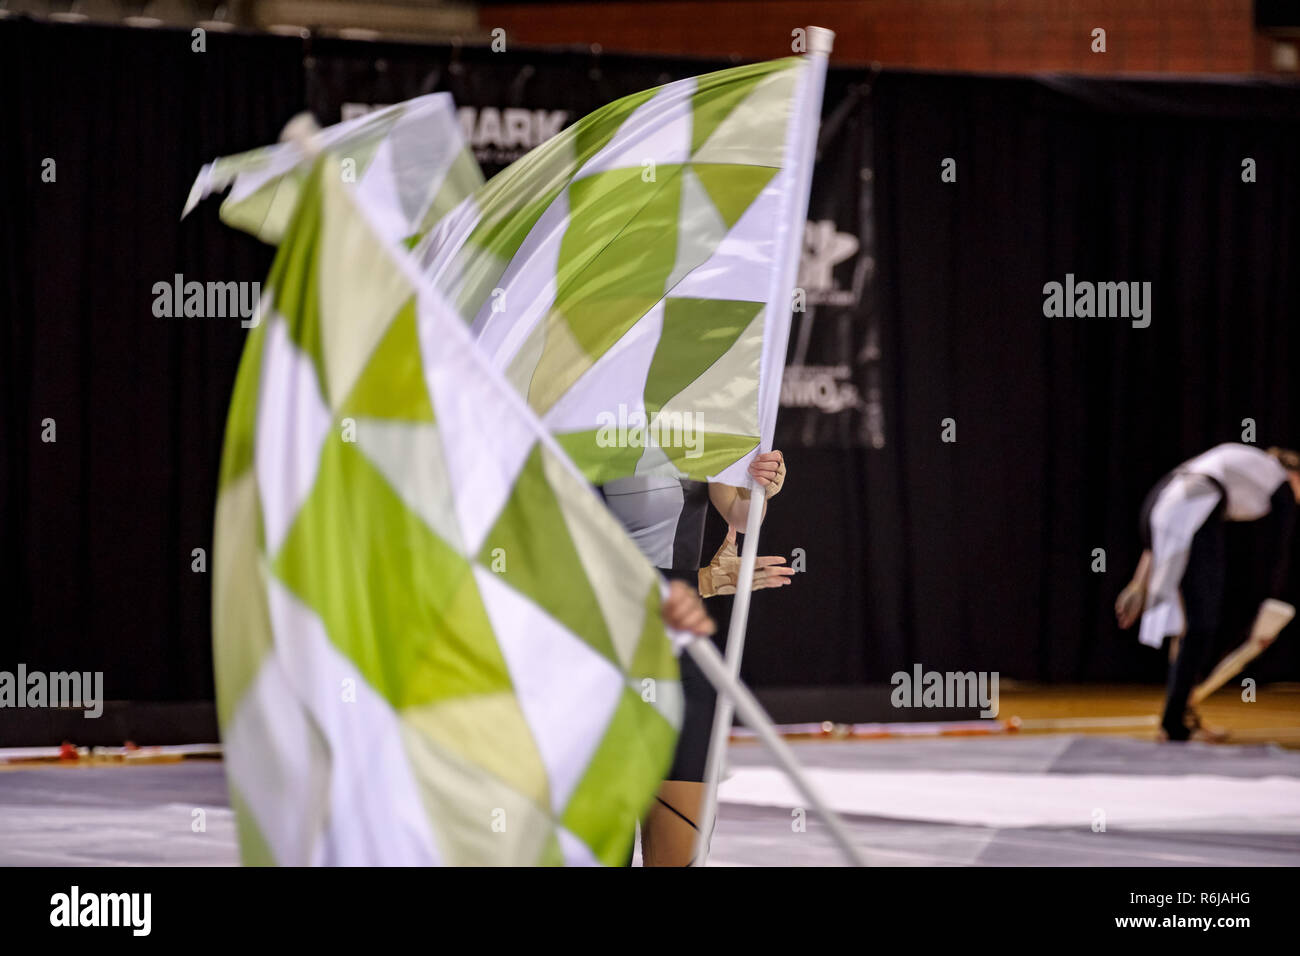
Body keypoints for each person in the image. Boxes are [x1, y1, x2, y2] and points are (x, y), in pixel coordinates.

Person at [599, 450, 792, 865]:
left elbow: (740, 513)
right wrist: (700, 580)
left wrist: (761, 486)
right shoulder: (562, 412)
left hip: (679, 665)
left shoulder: (691, 417)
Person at [1115, 444, 1300, 741]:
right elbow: (1281, 549)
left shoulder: (1234, 462)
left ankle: (1178, 713)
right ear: (1294, 475)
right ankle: (1175, 721)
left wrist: (1139, 583)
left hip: (1161, 502)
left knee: (1185, 625)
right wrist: (1270, 609)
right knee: (1200, 625)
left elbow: (1168, 514)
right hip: (1195, 509)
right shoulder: (1278, 479)